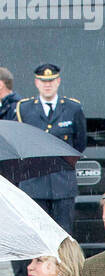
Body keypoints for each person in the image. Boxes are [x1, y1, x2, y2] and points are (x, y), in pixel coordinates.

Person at [14, 64, 86, 233]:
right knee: (38, 234)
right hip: (33, 183)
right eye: (43, 81)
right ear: (36, 83)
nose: (47, 84)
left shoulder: (72, 108)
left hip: (63, 183)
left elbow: (80, 143)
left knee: (64, 234)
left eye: (51, 80)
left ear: (58, 81)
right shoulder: (24, 108)